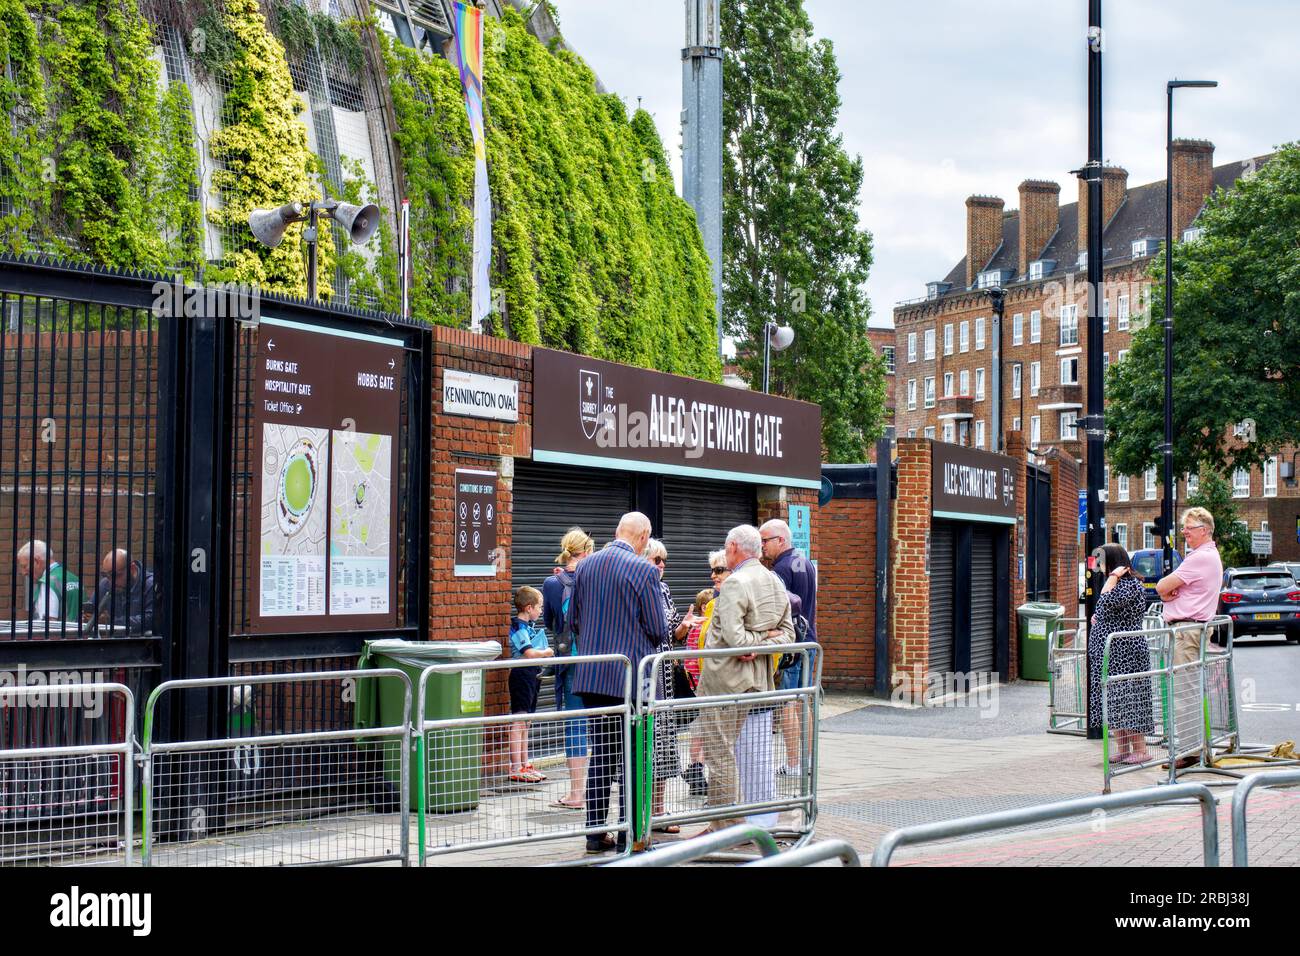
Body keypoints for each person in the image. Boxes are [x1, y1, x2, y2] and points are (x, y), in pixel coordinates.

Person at [569, 512, 667, 854]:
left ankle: (595, 835)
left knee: (602, 756)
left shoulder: (585, 566)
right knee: (636, 757)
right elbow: (657, 629)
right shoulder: (644, 569)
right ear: (643, 538)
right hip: (631, 679)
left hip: (593, 675)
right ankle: (632, 836)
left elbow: (574, 621)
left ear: (617, 532)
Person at [694, 524, 793, 836]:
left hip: (726, 682)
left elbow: (736, 641)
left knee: (719, 754)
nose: (725, 554)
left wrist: (754, 642)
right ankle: (731, 823)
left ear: (734, 547)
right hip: (758, 682)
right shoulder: (773, 581)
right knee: (741, 753)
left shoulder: (735, 582)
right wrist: (766, 638)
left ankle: (725, 827)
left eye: (726, 549)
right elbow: (788, 634)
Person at [1155, 507, 1224, 769]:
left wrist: (1165, 593)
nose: (1184, 531)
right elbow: (1168, 589)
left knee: (1184, 693)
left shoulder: (1199, 558)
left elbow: (1162, 586)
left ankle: (1189, 751)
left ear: (1204, 530)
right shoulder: (1208, 556)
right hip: (1193, 630)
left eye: (1189, 527)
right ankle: (1194, 747)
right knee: (1190, 690)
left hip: (1187, 632)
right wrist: (1167, 593)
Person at [760, 518, 817, 777]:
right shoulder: (804, 561)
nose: (762, 546)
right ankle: (806, 762)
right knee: (804, 702)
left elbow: (775, 610)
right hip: (810, 641)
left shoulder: (780, 570)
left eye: (765, 541)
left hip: (791, 647)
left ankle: (794, 764)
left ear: (781, 540)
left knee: (787, 704)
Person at [542, 528, 594, 810]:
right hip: (599, 660)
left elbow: (550, 621)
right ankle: (600, 792)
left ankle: (576, 793)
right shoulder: (596, 578)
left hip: (569, 661)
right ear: (587, 551)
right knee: (603, 722)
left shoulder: (552, 583)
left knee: (574, 725)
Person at [1087, 543, 1152, 763]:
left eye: (1102, 560)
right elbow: (1103, 612)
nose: (1098, 565)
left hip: (1126, 652)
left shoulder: (1129, 584)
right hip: (1111, 653)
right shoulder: (1118, 585)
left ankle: (1141, 750)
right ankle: (1123, 748)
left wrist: (1112, 579)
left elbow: (1104, 603)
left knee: (1128, 699)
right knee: (1114, 700)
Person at [643, 538, 686, 834]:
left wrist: (685, 627)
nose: (661, 566)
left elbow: (673, 630)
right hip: (647, 679)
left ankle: (659, 809)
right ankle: (644, 812)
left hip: (666, 679)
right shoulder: (639, 588)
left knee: (665, 746)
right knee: (646, 744)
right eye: (656, 560)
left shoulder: (665, 589)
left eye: (663, 561)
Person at [507, 586, 553, 783]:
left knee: (526, 721)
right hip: (521, 674)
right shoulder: (519, 627)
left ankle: (525, 764)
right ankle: (515, 766)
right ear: (528, 608)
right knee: (519, 720)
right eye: (539, 607)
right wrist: (547, 652)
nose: (541, 611)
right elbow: (529, 652)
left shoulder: (529, 627)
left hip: (532, 673)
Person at [82, 549, 156, 635]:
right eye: (106, 575)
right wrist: (87, 618)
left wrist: (111, 622)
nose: (111, 582)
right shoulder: (105, 584)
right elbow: (92, 610)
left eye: (116, 575)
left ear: (132, 568)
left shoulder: (150, 585)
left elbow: (150, 619)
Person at [16, 540, 80, 625]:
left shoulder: (47, 583)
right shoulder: (74, 578)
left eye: (24, 566)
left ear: (36, 561)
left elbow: (48, 625)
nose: (24, 573)